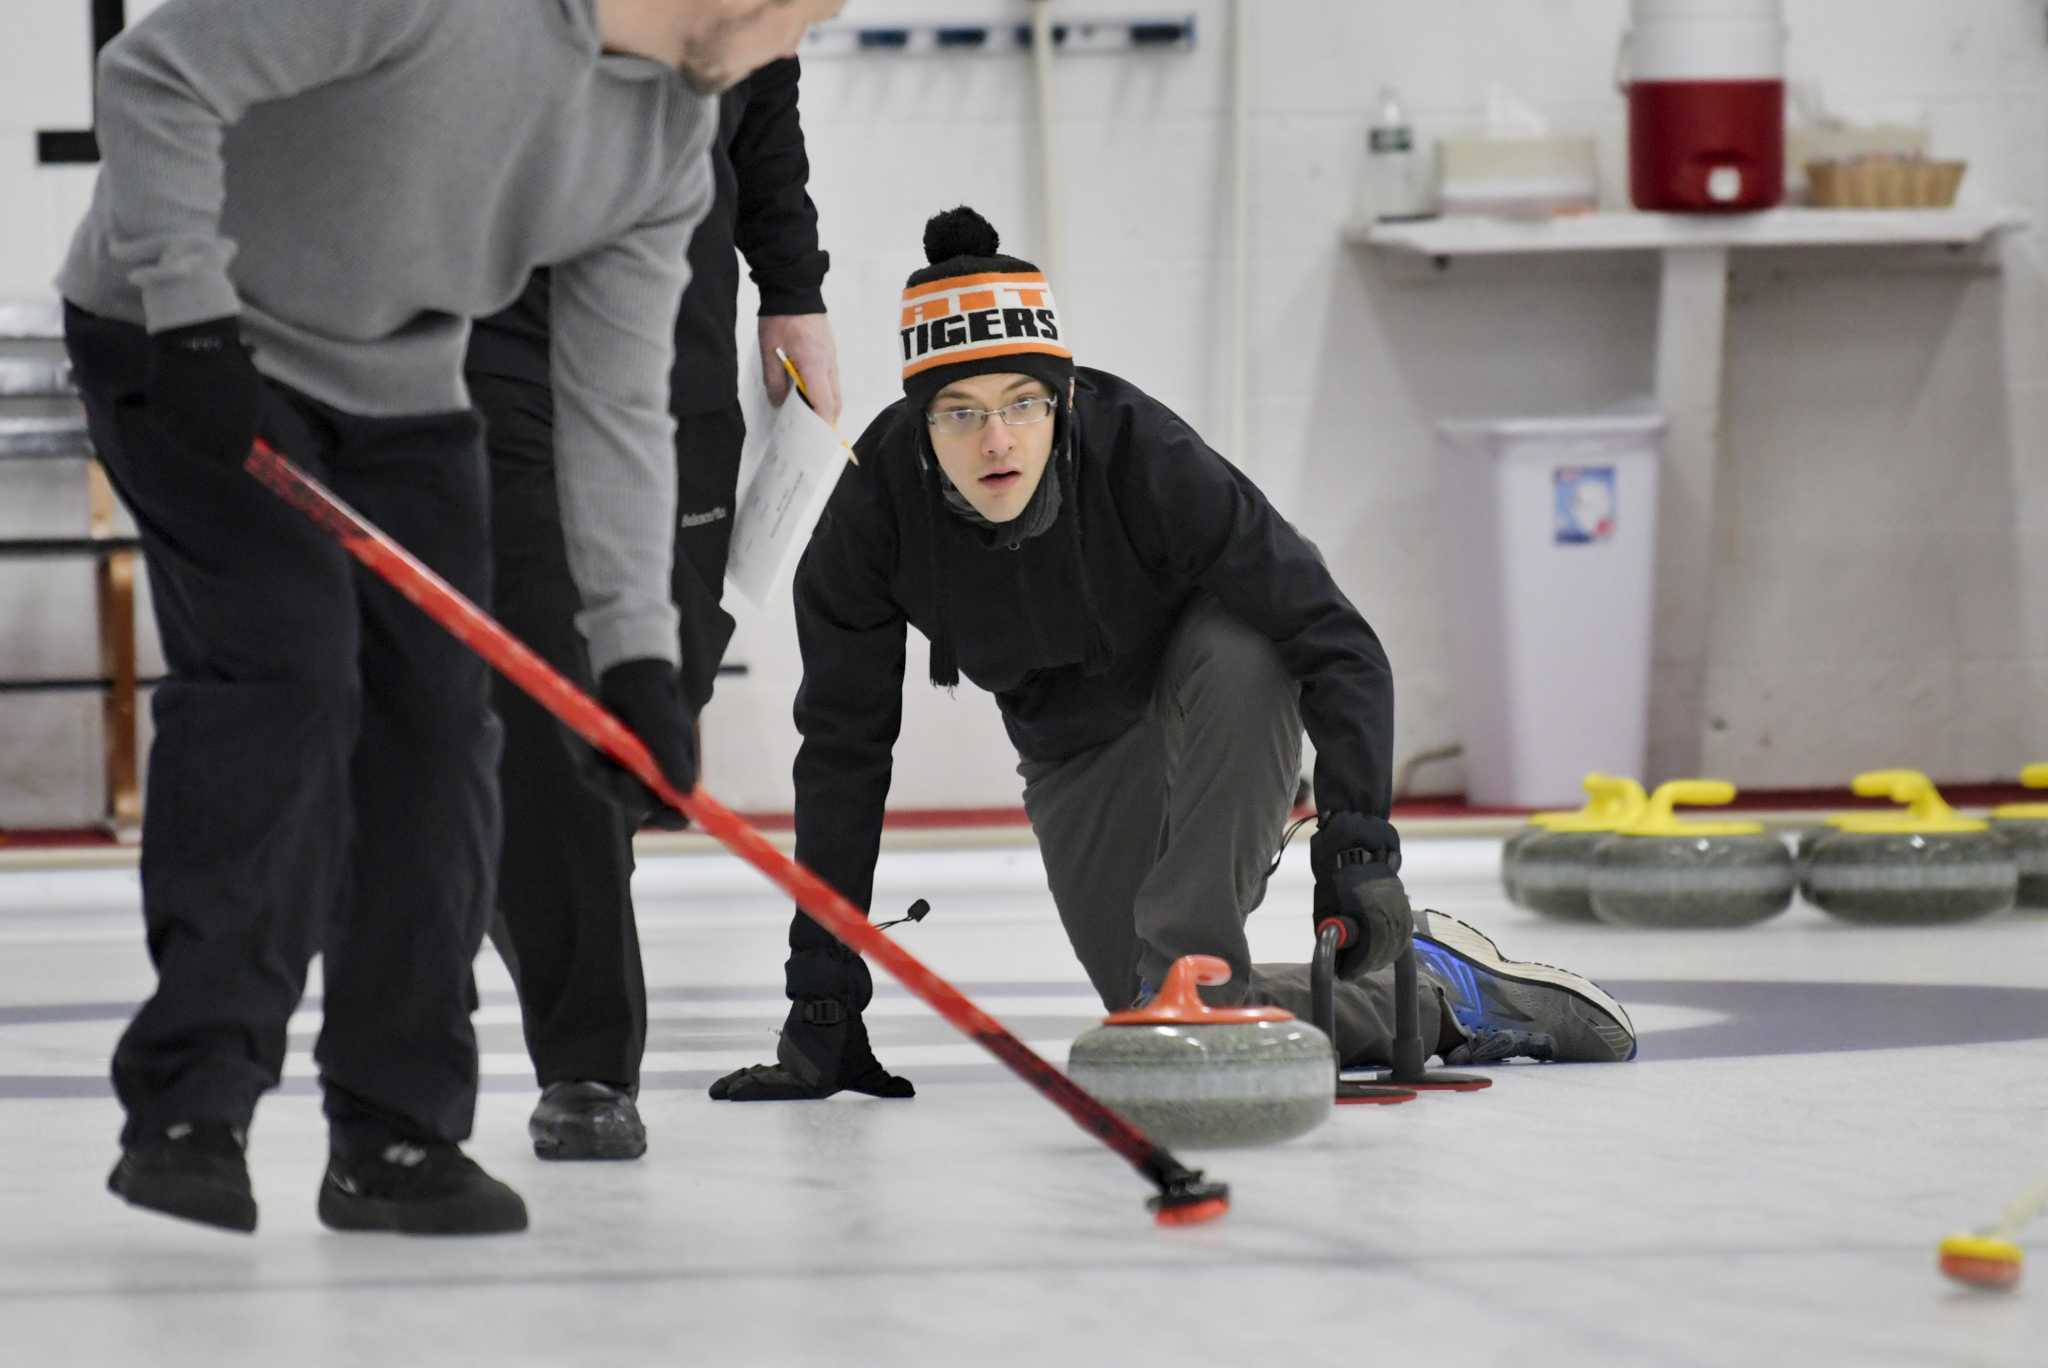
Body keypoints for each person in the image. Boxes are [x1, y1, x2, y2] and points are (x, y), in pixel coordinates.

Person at [57, 0, 840, 1238]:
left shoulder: (666, 140)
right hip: (182, 339)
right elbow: (155, 77)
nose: (809, 34)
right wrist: (186, 297)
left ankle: (394, 1132)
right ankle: (190, 1107)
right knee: (291, 679)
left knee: (441, 732)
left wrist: (633, 653)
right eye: (805, 9)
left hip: (395, 382)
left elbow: (617, 407)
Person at [709, 207, 1636, 1101]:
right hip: (1074, 748)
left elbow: (1336, 640)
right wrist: (822, 995)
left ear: (1062, 398)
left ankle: (1198, 961)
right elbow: (843, 757)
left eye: (1022, 404)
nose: (997, 440)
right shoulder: (871, 525)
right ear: (921, 426)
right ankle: (1442, 991)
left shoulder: (1140, 452)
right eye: (960, 414)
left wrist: (1358, 851)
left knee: (1251, 642)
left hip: (1215, 709)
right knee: (1155, 1019)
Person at [465, 55, 839, 1161]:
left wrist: (793, 287)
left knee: (651, 691)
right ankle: (587, 1064)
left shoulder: (728, 40)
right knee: (557, 687)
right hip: (493, 335)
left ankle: (536, 862)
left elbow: (764, 100)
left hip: (664, 341)